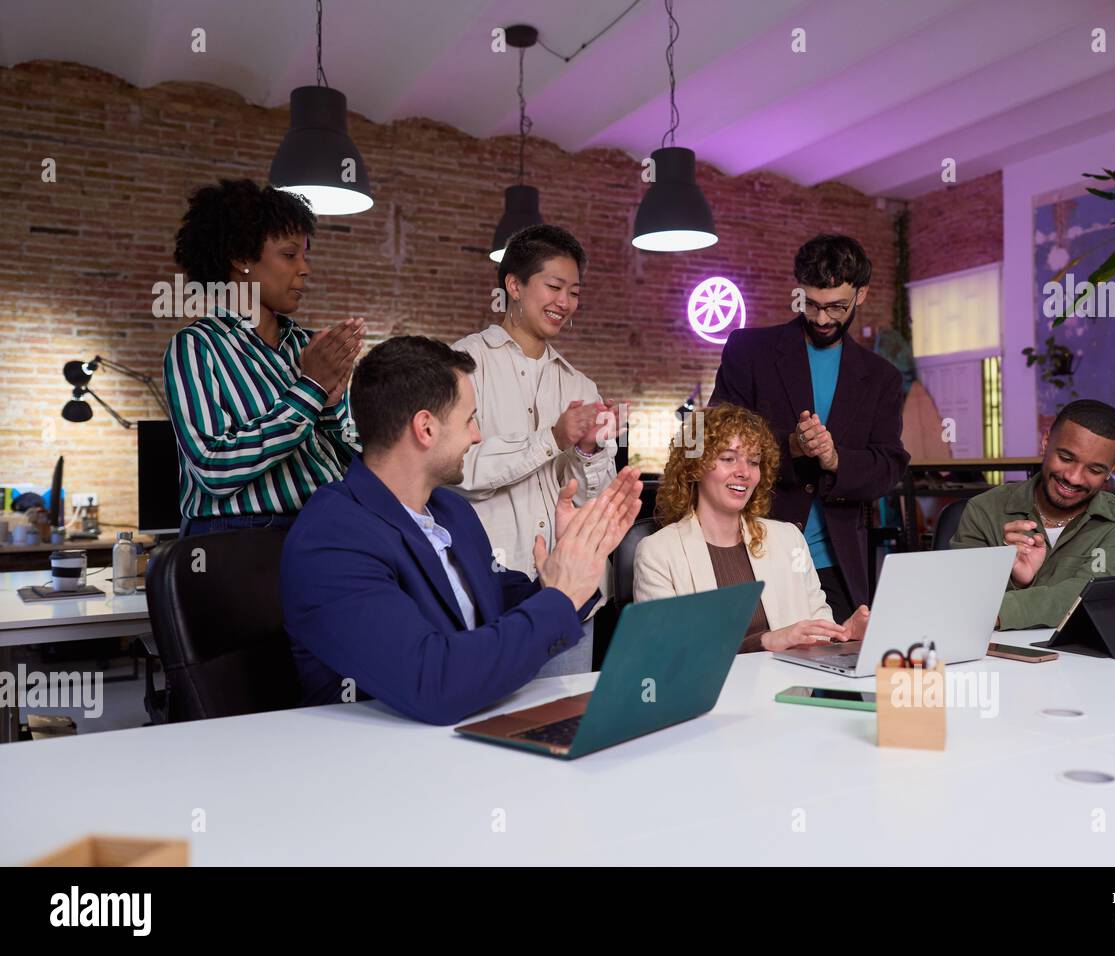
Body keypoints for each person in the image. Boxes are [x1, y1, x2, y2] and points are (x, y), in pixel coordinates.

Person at [280, 336, 643, 726]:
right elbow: (433, 684)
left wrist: (568, 569)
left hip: (463, 740)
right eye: (470, 419)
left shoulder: (451, 511)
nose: (477, 435)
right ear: (426, 428)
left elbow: (499, 604)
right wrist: (560, 596)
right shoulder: (332, 537)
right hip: (374, 765)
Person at [709, 234, 909, 621]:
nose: (821, 319)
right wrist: (790, 447)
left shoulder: (881, 377)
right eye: (811, 304)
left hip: (837, 564)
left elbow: (888, 467)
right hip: (751, 550)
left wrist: (836, 460)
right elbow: (713, 441)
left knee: (840, 679)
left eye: (836, 307)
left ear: (861, 295)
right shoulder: (749, 351)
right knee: (757, 676)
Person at [451, 224, 617, 676]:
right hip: (489, 590)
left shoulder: (581, 385)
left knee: (564, 722)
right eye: (554, 286)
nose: (565, 303)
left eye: (575, 292)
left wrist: (588, 455)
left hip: (569, 594)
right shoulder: (462, 366)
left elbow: (592, 499)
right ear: (514, 286)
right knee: (486, 723)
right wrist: (553, 439)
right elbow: (457, 474)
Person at [163, 179, 365, 536]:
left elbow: (359, 461)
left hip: (324, 528)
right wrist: (310, 388)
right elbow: (214, 470)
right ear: (241, 257)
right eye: (289, 255)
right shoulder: (197, 346)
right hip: (240, 540)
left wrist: (332, 407)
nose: (305, 269)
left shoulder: (307, 345)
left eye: (306, 255)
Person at [634, 403, 869, 653]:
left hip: (785, 690)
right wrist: (765, 641)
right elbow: (665, 653)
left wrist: (845, 634)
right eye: (728, 459)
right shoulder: (657, 552)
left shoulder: (789, 539)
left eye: (754, 461)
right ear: (694, 467)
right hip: (712, 693)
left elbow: (816, 631)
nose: (744, 472)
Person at [949, 399, 1115, 629]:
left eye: (1094, 470)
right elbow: (960, 598)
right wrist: (1016, 580)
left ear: (1111, 470)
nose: (1074, 478)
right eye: (1066, 458)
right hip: (991, 657)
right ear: (1045, 442)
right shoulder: (985, 510)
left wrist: (996, 610)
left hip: (1084, 661)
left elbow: (1088, 597)